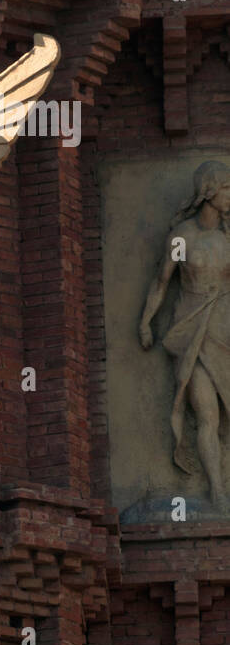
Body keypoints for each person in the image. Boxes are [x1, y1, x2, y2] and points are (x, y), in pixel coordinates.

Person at [139, 160, 230, 511]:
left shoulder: (227, 235)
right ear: (208, 191)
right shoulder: (182, 238)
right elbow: (162, 282)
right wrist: (145, 323)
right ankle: (219, 492)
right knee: (206, 414)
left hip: (225, 325)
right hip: (193, 331)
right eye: (225, 189)